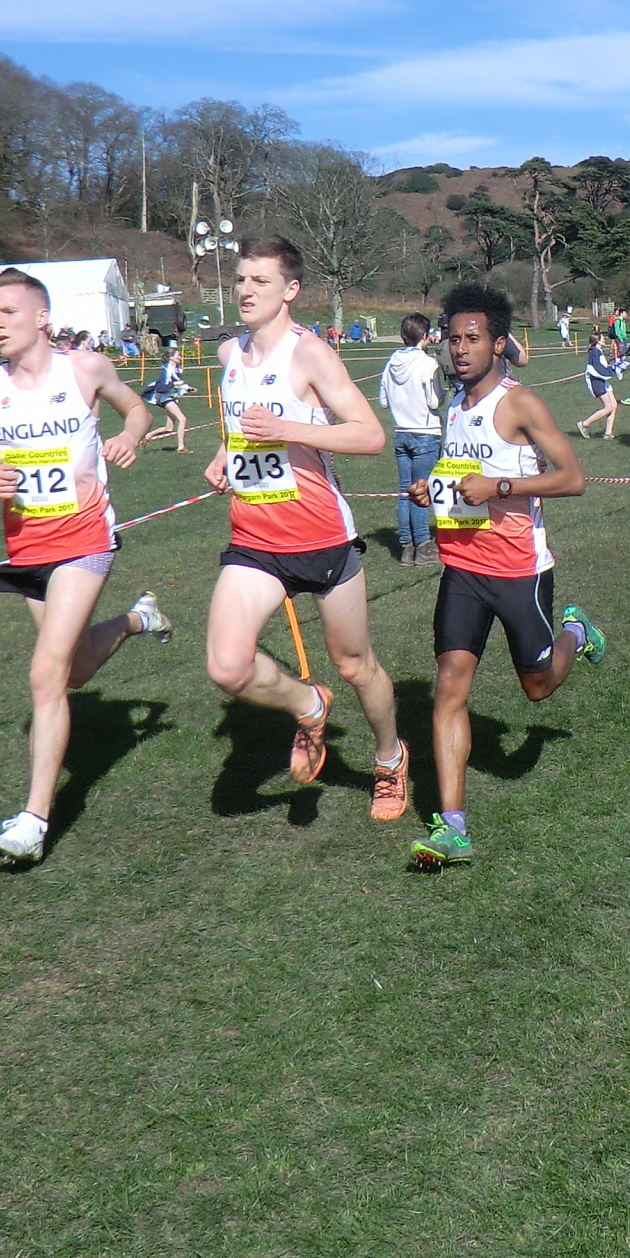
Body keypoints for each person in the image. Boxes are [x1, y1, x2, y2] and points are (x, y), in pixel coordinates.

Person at [201, 236, 408, 824]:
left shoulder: (310, 354)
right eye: (241, 280)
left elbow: (370, 435)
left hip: (321, 537)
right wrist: (225, 454)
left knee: (355, 665)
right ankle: (308, 704)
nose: (245, 291)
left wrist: (287, 429)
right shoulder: (229, 354)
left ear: (290, 290)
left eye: (260, 281)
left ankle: (390, 758)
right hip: (255, 540)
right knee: (226, 666)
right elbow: (243, 425)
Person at [0, 269, 169, 865]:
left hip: (84, 539)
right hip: (26, 548)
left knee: (45, 674)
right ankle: (137, 619)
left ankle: (33, 822)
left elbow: (138, 408)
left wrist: (130, 436)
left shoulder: (84, 368)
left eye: (8, 312)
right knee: (74, 671)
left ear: (41, 318)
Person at [407, 282, 605, 869]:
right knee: (449, 687)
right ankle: (453, 829)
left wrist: (500, 486)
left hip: (519, 569)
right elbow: (462, 473)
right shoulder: (454, 405)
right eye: (453, 339)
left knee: (537, 688)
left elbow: (572, 478)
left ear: (498, 344)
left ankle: (576, 631)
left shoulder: (520, 404)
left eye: (473, 338)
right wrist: (434, 488)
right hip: (463, 567)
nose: (460, 348)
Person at [378, 312, 444, 564]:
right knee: (421, 491)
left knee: (405, 491)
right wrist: (444, 394)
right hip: (425, 433)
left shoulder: (391, 363)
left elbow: (383, 400)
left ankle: (407, 546)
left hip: (401, 432)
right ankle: (423, 544)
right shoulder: (428, 363)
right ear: (425, 335)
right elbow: (434, 401)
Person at [577, 333, 621, 440]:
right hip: (597, 381)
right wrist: (612, 370)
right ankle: (585, 424)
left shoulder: (598, 351)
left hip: (603, 381)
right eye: (602, 338)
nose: (604, 339)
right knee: (608, 407)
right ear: (598, 341)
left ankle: (608, 433)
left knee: (614, 405)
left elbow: (603, 366)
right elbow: (598, 369)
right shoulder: (594, 353)